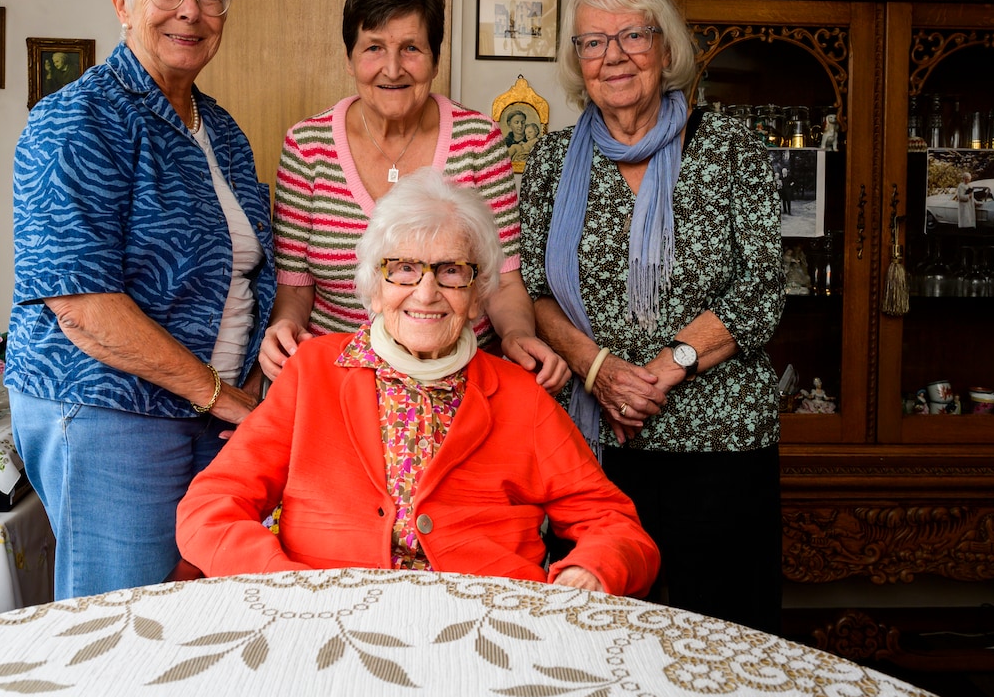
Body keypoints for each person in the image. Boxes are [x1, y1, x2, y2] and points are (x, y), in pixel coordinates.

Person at [178, 170, 660, 596]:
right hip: (329, 617)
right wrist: (282, 581)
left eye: (452, 271)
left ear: (477, 297)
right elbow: (211, 506)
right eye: (404, 269)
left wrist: (590, 571)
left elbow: (615, 527)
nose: (426, 293)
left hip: (484, 626)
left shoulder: (521, 396)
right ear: (374, 285)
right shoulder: (314, 372)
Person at [8, 0, 276, 600]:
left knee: (192, 613)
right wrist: (217, 395)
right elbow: (84, 307)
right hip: (112, 414)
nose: (190, 11)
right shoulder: (77, 119)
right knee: (119, 619)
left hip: (206, 414)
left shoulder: (218, 127)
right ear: (122, 3)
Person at [518, 0, 785, 632]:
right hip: (590, 442)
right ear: (576, 62)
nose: (613, 55)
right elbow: (533, 289)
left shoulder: (731, 150)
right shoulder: (551, 161)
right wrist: (599, 371)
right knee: (598, 632)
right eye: (592, 42)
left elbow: (759, 289)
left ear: (664, 49)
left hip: (718, 446)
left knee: (721, 635)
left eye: (632, 35)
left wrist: (658, 373)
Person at [262, 0, 566, 393]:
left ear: (436, 59)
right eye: (373, 48)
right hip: (337, 382)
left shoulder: (478, 141)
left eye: (411, 48)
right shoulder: (307, 147)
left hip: (454, 381)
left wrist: (518, 334)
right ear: (350, 58)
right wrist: (283, 330)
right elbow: (294, 288)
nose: (392, 69)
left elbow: (503, 281)